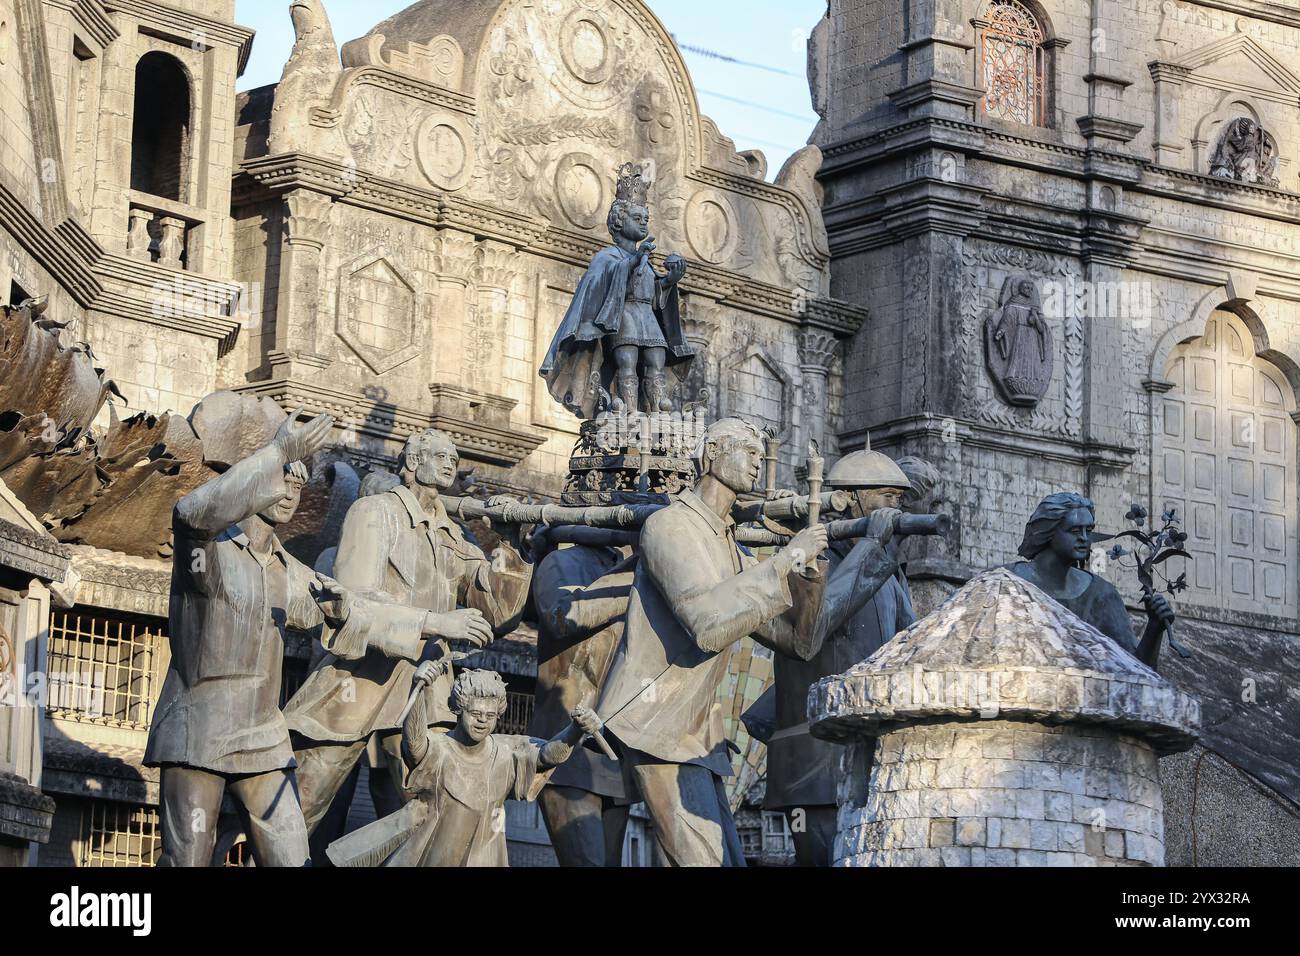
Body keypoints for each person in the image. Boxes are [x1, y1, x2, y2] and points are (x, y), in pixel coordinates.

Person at [144, 409, 397, 866]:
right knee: (189, 859)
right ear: (256, 483)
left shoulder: (290, 572)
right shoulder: (209, 551)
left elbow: (359, 615)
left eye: (300, 484)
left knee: (290, 857)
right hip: (199, 730)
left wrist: (437, 625)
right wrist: (278, 452)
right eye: (283, 479)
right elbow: (190, 513)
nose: (290, 492)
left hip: (263, 736)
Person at [285, 428, 533, 851]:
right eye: (440, 454)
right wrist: (437, 622)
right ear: (413, 462)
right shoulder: (373, 512)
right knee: (300, 808)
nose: (451, 462)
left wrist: (512, 546)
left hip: (425, 691)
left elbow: (495, 614)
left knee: (427, 813)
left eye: (454, 456)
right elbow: (354, 604)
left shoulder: (452, 534)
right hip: (358, 683)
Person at [596, 417, 828, 866]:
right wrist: (784, 560)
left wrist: (810, 581)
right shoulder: (670, 526)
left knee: (724, 861)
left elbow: (797, 644)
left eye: (762, 455)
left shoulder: (728, 545)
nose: (757, 464)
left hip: (697, 732)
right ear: (712, 454)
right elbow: (705, 625)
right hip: (654, 718)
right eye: (747, 451)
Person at [760, 450, 930, 866]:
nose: (895, 508)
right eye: (886, 496)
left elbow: (908, 647)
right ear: (850, 499)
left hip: (870, 756)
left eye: (899, 500)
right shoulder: (808, 560)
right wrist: (872, 544)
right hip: (812, 763)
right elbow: (813, 631)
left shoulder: (888, 572)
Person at [326, 667, 604, 867]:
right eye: (475, 713)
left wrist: (574, 732)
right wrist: (418, 693)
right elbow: (413, 745)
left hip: (483, 854)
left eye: (490, 715)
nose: (482, 721)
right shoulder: (439, 749)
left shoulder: (505, 751)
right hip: (427, 853)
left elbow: (547, 755)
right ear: (459, 710)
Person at [539, 162, 692, 417]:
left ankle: (655, 411)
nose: (644, 223)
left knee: (656, 361)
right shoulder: (607, 257)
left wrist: (669, 281)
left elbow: (653, 293)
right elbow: (611, 278)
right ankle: (630, 411)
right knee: (627, 363)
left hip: (646, 317)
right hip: (624, 319)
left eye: (646, 219)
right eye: (637, 218)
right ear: (620, 221)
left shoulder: (645, 258)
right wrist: (635, 259)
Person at [530, 542, 636, 866]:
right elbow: (562, 616)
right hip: (568, 746)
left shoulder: (637, 565)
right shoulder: (562, 562)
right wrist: (636, 578)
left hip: (616, 750)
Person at [1009, 492, 1174, 669]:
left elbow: (1135, 672)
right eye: (1074, 530)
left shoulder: (1102, 594)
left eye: (1088, 530)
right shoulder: (1007, 581)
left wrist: (1154, 628)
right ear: (1048, 531)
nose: (1085, 538)